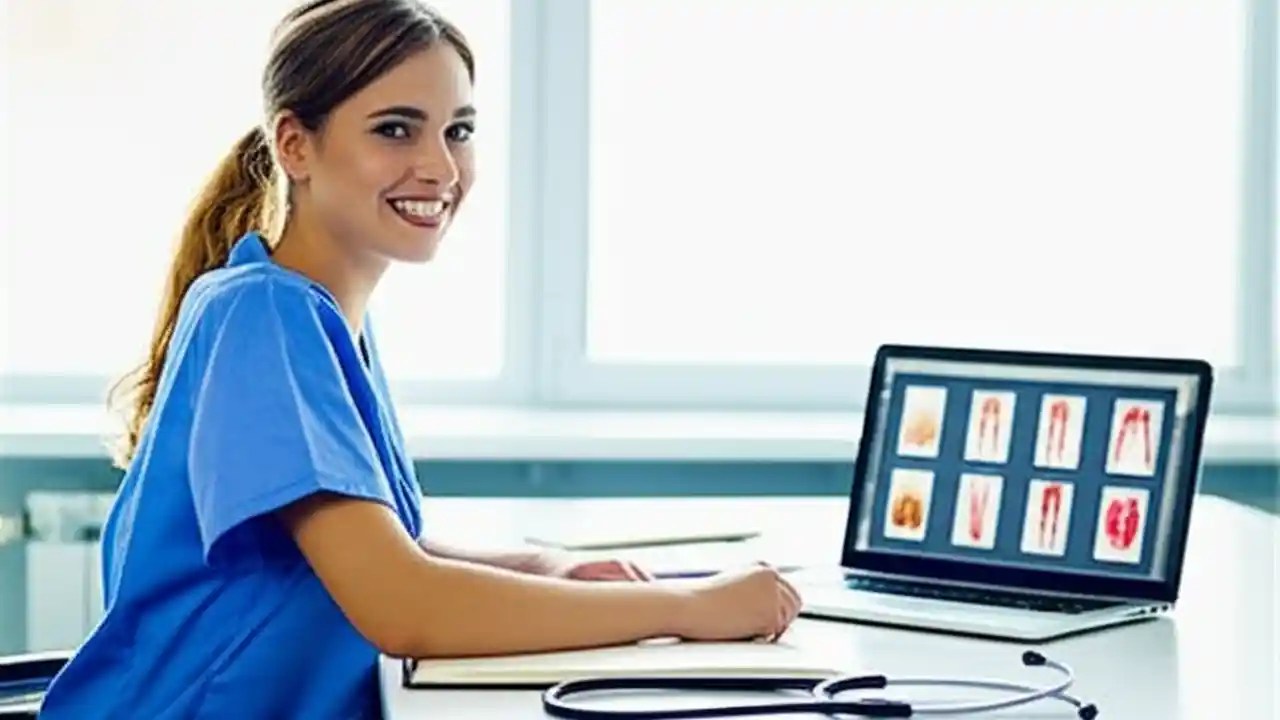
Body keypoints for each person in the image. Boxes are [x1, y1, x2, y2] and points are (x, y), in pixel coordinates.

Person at [36, 1, 803, 717]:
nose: (440, 166)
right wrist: (688, 610)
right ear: (294, 144)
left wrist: (544, 569)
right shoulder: (264, 314)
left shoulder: (321, 316)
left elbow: (360, 547)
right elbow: (402, 605)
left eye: (459, 130)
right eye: (397, 129)